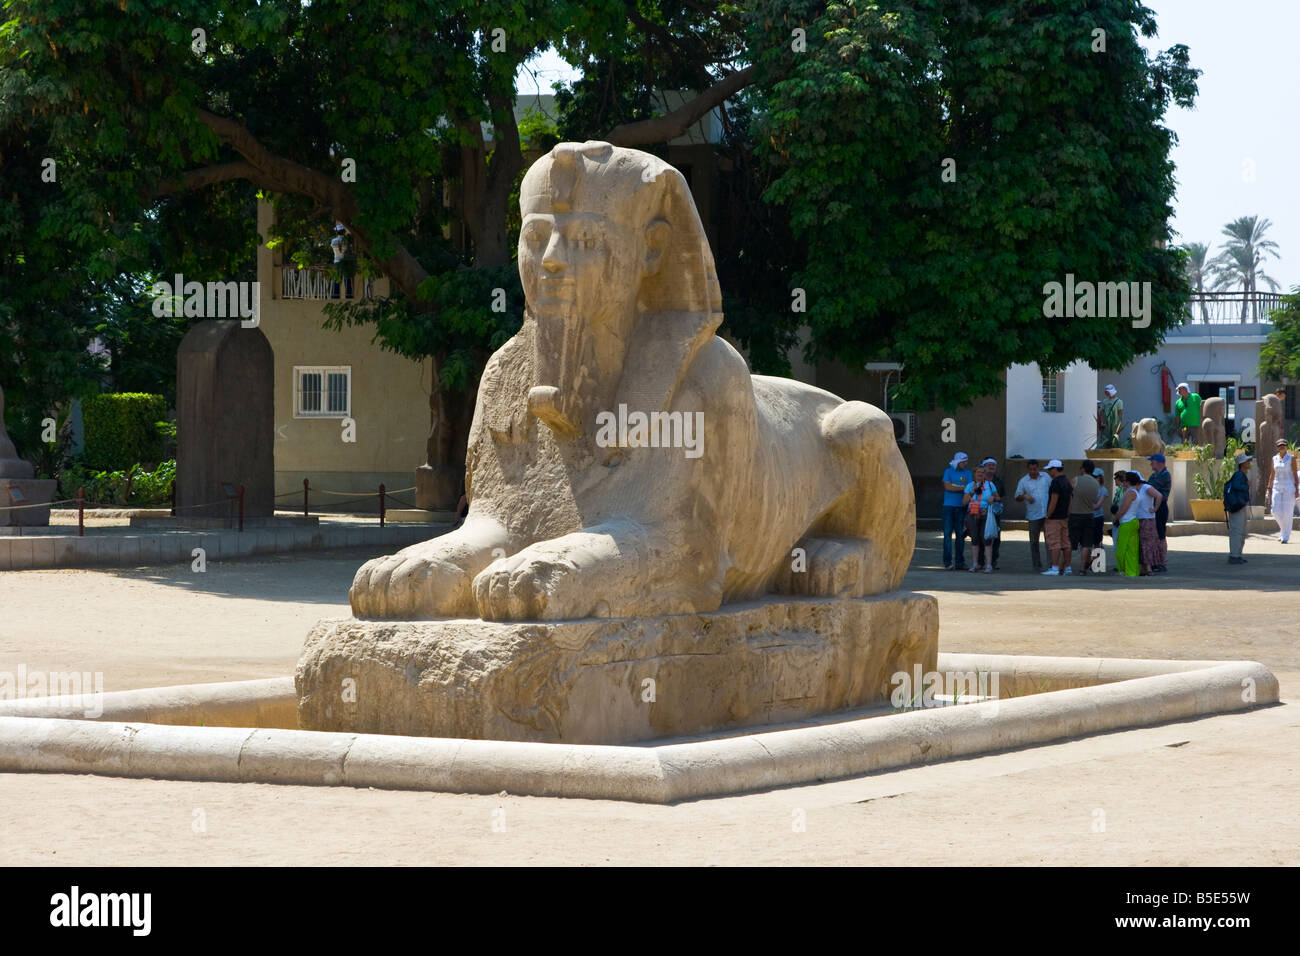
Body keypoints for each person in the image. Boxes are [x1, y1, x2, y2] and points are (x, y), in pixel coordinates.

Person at [1068, 460, 1104, 575]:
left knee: (1070, 543)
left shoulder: (1076, 480)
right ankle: (1082, 569)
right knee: (1086, 544)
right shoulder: (1096, 484)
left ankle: (1066, 566)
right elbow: (1094, 501)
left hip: (1075, 514)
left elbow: (1068, 494)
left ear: (1083, 469)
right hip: (1089, 515)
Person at [1015, 459, 1052, 570]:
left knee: (1049, 540)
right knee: (1034, 542)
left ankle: (1051, 564)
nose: (1033, 471)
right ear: (1028, 469)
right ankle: (1036, 564)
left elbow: (1053, 490)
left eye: (1035, 469)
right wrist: (1024, 496)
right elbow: (1017, 496)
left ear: (1038, 468)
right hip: (1033, 515)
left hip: (1047, 513)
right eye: (1030, 469)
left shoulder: (1046, 477)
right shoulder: (1023, 481)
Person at [941, 452, 973, 570]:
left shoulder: (968, 473)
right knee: (947, 535)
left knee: (960, 535)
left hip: (961, 508)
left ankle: (960, 562)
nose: (966, 464)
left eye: (966, 461)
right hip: (948, 507)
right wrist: (962, 487)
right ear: (958, 462)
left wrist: (956, 487)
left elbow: (969, 488)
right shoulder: (948, 471)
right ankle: (947, 562)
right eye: (963, 462)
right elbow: (947, 487)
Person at [963, 465, 998, 573]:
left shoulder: (990, 485)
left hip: (985, 514)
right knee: (974, 539)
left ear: (985, 474)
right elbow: (964, 502)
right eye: (978, 472)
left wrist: (994, 498)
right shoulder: (969, 485)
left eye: (982, 472)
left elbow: (999, 498)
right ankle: (975, 564)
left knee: (987, 539)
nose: (980, 474)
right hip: (972, 514)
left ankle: (988, 565)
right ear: (975, 474)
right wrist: (972, 491)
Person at [1041, 459, 1073, 576]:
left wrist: (1048, 515)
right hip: (1064, 516)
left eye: (1050, 469)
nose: (1049, 471)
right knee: (1066, 543)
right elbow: (1070, 500)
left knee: (1054, 543)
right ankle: (1067, 568)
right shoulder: (1067, 481)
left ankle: (1054, 568)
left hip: (1054, 517)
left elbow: (1053, 501)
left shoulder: (1055, 482)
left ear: (1055, 469)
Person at [1265, 438, 1297, 544]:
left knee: (1287, 512)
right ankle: (1283, 530)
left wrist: (1297, 489)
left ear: (1286, 446)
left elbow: (1295, 474)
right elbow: (1272, 474)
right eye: (1279, 445)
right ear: (1277, 447)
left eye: (1283, 445)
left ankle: (1285, 536)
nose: (1281, 446)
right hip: (1276, 487)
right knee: (1275, 510)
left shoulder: (1292, 458)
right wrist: (1268, 488)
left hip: (1289, 487)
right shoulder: (1274, 458)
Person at [1134, 472, 1164, 575]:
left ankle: (1148, 568)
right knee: (1141, 544)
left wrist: (1155, 509)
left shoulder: (1146, 487)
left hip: (1147, 519)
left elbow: (1159, 496)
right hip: (1139, 519)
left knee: (1146, 544)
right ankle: (1144, 568)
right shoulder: (1135, 489)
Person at [1146, 453, 1172, 572]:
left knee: (1161, 535)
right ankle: (1156, 561)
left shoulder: (1165, 475)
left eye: (1153, 461)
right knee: (1154, 535)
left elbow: (1150, 487)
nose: (1151, 463)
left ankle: (1162, 561)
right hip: (1153, 506)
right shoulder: (1154, 475)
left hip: (1160, 507)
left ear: (1159, 462)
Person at [1225, 452, 1252, 564]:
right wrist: (1246, 485)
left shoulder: (1240, 475)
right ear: (1241, 463)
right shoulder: (1239, 475)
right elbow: (1236, 486)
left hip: (1238, 506)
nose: (1249, 462)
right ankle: (1234, 556)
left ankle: (1237, 555)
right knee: (1237, 531)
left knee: (1240, 531)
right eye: (1246, 461)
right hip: (1238, 507)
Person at [1114, 472, 1143, 577]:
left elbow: (1123, 509)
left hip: (1127, 522)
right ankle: (1132, 572)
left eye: (1125, 480)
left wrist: (1116, 518)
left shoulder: (1130, 493)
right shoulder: (1134, 491)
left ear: (1129, 482)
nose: (1123, 481)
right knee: (1132, 549)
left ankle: (1123, 570)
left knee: (1121, 549)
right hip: (1133, 521)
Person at [981, 457, 1005, 568]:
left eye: (993, 465)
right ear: (984, 467)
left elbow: (1002, 497)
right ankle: (980, 562)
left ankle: (993, 561)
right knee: (981, 536)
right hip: (980, 513)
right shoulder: (978, 480)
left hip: (995, 514)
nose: (991, 467)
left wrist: (995, 499)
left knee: (995, 537)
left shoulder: (999, 481)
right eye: (989, 465)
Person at [1099, 385, 1124, 449]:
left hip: (1115, 424)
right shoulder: (1105, 401)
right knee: (1106, 440)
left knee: (1115, 439)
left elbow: (1120, 413)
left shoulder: (1119, 401)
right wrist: (1101, 422)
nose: (1107, 393)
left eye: (1108, 392)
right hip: (1106, 424)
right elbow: (1101, 411)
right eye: (1106, 392)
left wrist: (1119, 425)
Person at [1091, 467, 1108, 565]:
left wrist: (1086, 504)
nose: (1094, 478)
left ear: (1101, 478)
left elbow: (1097, 506)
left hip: (1097, 517)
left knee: (1097, 542)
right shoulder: (1088, 488)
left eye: (1096, 477)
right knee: (1087, 542)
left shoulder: (1103, 490)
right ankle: (1088, 561)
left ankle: (1096, 563)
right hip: (1088, 516)